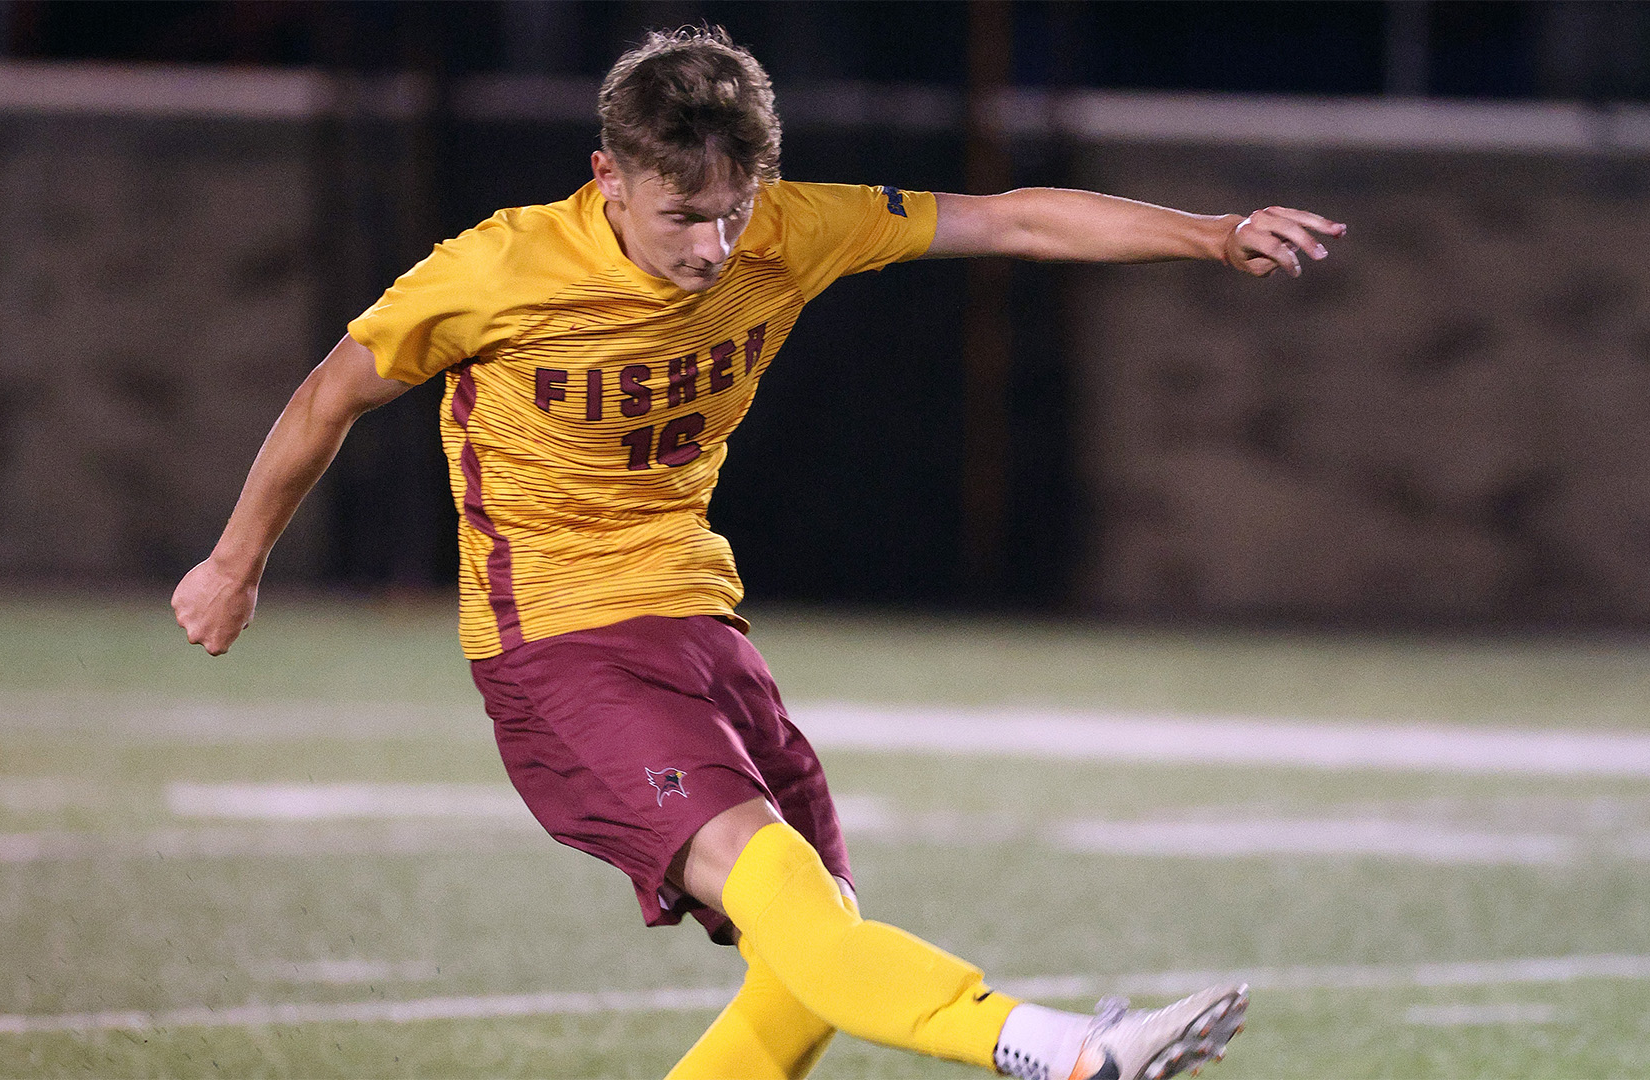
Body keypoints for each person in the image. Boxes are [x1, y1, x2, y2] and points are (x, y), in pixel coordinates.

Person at [174, 26, 1343, 1080]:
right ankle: (1062, 1051)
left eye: (733, 209)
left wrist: (1212, 235)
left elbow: (1015, 217)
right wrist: (236, 562)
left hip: (698, 622)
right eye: (683, 215)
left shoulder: (786, 230)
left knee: (807, 963)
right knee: (785, 895)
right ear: (607, 177)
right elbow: (331, 395)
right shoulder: (498, 270)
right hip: (558, 645)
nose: (714, 243)